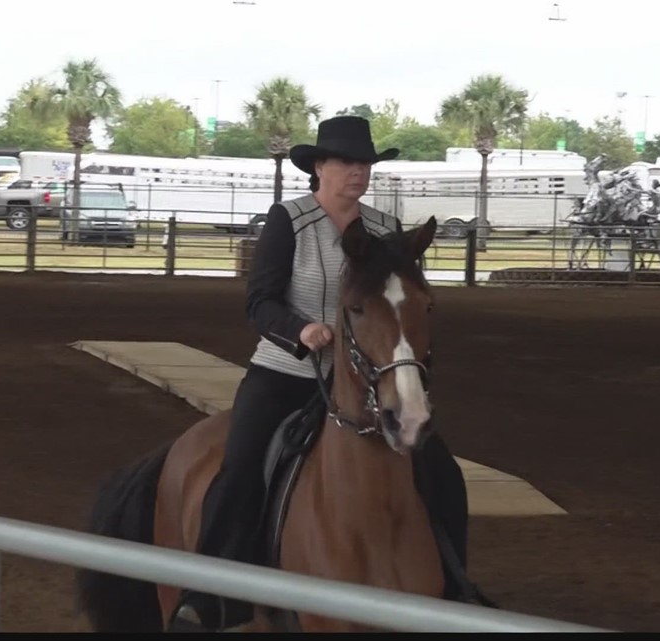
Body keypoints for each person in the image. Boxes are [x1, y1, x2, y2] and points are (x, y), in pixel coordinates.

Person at [174, 116, 471, 631]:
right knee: (241, 466)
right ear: (319, 167)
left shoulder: (386, 230)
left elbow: (401, 307)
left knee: (441, 471)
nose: (358, 172)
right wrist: (301, 330)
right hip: (286, 373)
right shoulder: (289, 220)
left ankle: (458, 587)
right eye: (346, 162)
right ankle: (206, 594)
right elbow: (259, 301)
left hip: (370, 382)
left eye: (365, 164)